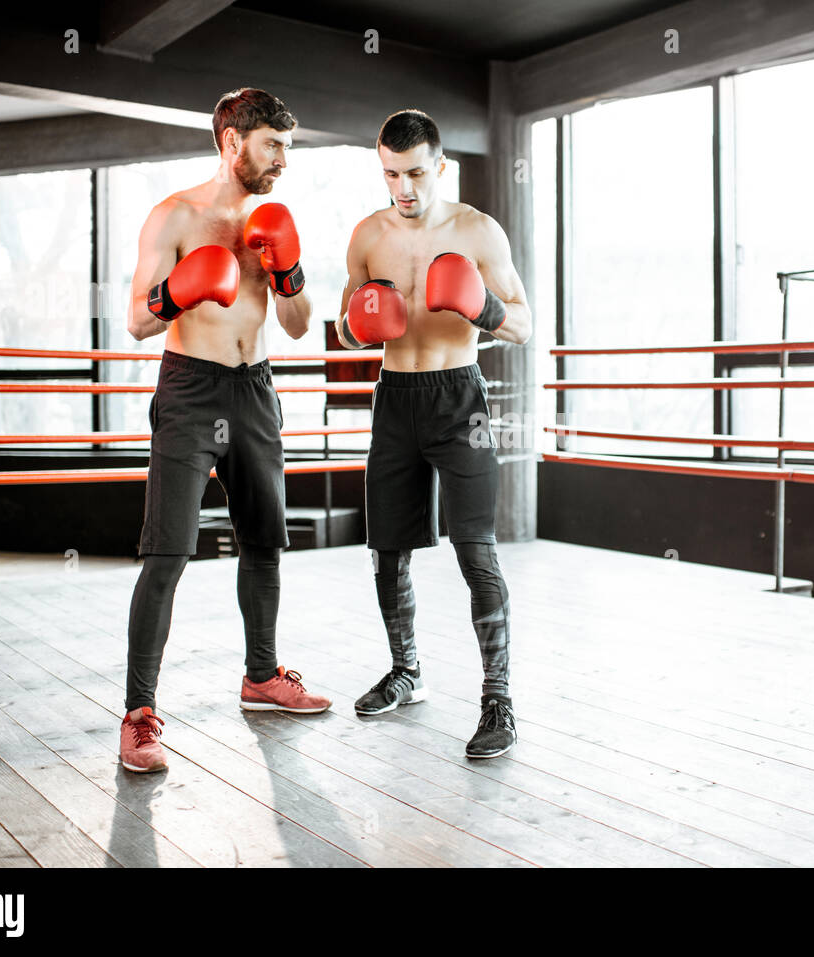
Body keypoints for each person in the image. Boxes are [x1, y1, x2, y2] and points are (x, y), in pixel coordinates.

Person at [118, 88, 330, 774]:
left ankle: (262, 676)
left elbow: (297, 326)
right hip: (189, 388)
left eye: (287, 149)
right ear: (233, 142)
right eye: (272, 146)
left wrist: (288, 270)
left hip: (254, 387)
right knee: (167, 553)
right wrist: (181, 288)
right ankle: (140, 714)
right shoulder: (174, 215)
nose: (282, 162)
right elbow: (138, 322)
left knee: (264, 539)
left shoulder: (273, 220)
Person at [337, 108, 532, 759]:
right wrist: (359, 321)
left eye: (415, 172)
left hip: (459, 399)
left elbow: (525, 325)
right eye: (391, 173)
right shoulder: (367, 235)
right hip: (395, 399)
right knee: (387, 548)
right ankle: (406, 670)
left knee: (475, 548)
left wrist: (483, 307)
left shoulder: (478, 230)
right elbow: (344, 321)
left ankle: (498, 697)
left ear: (439, 165)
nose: (404, 187)